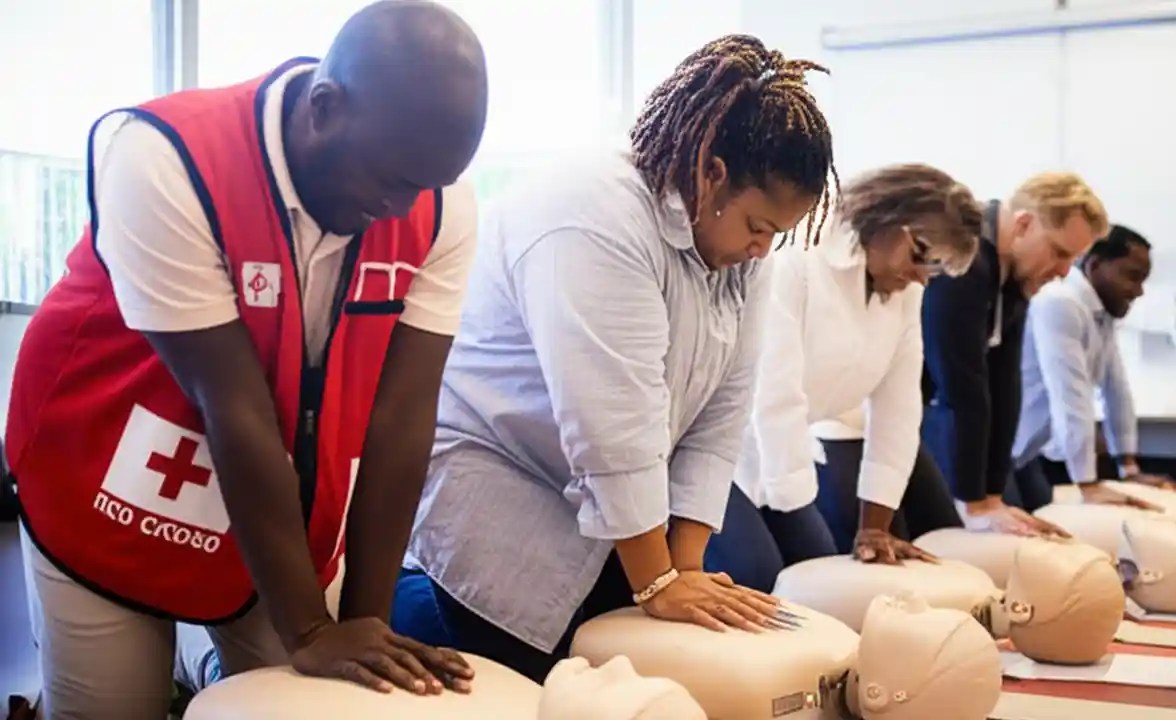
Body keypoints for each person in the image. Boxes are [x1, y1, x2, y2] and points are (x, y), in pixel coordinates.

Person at [5, 2, 487, 717]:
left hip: (271, 511)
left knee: (317, 700)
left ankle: (199, 654)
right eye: (390, 181)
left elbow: (402, 420)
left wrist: (362, 626)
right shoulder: (164, 156)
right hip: (107, 479)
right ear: (323, 109)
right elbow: (232, 403)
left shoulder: (437, 204)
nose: (402, 208)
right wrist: (311, 629)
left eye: (425, 186)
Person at [389, 34, 838, 683]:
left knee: (641, 665)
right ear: (711, 171)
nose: (764, 250)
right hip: (502, 485)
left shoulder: (737, 247)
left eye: (779, 234)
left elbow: (720, 417)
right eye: (758, 227)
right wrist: (656, 582)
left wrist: (682, 573)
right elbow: (611, 423)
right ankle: (387, 607)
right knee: (520, 682)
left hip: (606, 502)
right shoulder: (592, 210)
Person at [704, 164, 983, 591]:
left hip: (780, 450)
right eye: (920, 254)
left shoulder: (904, 293)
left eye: (935, 268)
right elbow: (774, 393)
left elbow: (898, 411)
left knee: (823, 579)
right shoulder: (798, 257)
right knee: (763, 577)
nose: (920, 274)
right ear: (888, 219)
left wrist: (875, 526)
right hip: (714, 444)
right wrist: (795, 508)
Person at [920, 172, 1108, 536]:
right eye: (1059, 252)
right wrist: (973, 505)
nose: (1065, 271)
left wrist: (991, 496)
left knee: (1010, 506)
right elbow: (961, 388)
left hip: (933, 412)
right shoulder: (967, 258)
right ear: (1023, 224)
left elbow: (1005, 384)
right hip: (879, 422)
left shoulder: (1015, 275)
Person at [1010, 224, 1176, 511]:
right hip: (992, 451)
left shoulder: (1100, 313)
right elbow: (1072, 397)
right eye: (1132, 277)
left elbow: (1116, 389)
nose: (1139, 291)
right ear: (1094, 265)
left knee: (1041, 522)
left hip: (1022, 452)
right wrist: (1088, 485)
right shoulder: (1060, 303)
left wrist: (1128, 468)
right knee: (1011, 537)